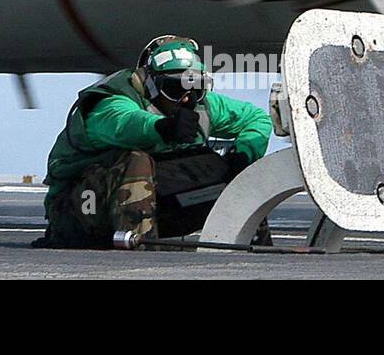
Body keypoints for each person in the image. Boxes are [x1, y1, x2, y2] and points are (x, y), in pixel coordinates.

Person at [39, 35, 272, 249]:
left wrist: (242, 157)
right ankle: (143, 249)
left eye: (195, 87)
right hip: (76, 212)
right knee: (136, 160)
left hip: (161, 206)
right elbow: (125, 123)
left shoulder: (205, 107)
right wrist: (163, 127)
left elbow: (257, 119)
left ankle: (256, 250)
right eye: (174, 88)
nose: (187, 98)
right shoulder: (109, 103)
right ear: (150, 85)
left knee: (237, 170)